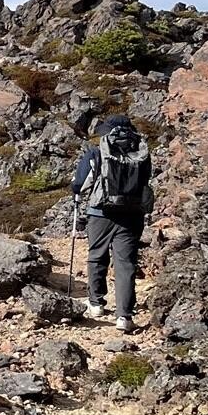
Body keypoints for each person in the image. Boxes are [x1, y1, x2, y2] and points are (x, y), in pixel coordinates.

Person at [73, 115, 154, 332]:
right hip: (132, 215)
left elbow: (81, 184)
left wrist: (76, 190)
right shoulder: (141, 152)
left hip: (100, 213)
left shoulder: (97, 151)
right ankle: (124, 316)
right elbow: (146, 179)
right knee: (125, 263)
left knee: (97, 255)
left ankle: (96, 303)